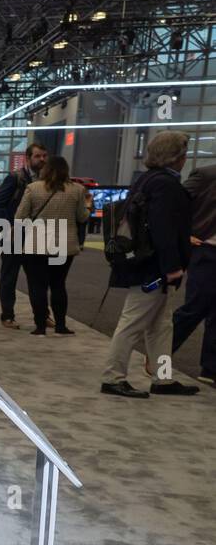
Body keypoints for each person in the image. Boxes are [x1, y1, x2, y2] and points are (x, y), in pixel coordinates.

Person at [100, 130, 199, 398]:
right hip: (153, 268)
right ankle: (113, 377)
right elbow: (162, 228)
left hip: (146, 265)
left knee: (160, 326)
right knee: (134, 323)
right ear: (176, 156)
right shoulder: (166, 184)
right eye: (184, 151)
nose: (186, 156)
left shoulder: (147, 180)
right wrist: (172, 266)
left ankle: (162, 378)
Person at [14, 156, 87, 336]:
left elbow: (19, 217)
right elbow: (82, 217)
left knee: (39, 286)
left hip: (38, 244)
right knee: (58, 285)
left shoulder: (33, 188)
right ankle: (61, 325)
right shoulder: (77, 190)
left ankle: (40, 326)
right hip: (64, 244)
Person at [0, 142, 49, 329]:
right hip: (13, 237)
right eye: (38, 156)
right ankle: (7, 316)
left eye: (44, 156)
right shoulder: (15, 178)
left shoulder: (47, 180)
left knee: (38, 279)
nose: (42, 159)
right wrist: (9, 228)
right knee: (9, 277)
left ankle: (42, 316)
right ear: (28, 158)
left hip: (36, 237)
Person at [171, 164, 216, 385]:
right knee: (194, 308)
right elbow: (173, 204)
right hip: (206, 249)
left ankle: (210, 371)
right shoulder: (207, 174)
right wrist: (185, 234)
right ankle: (158, 357)